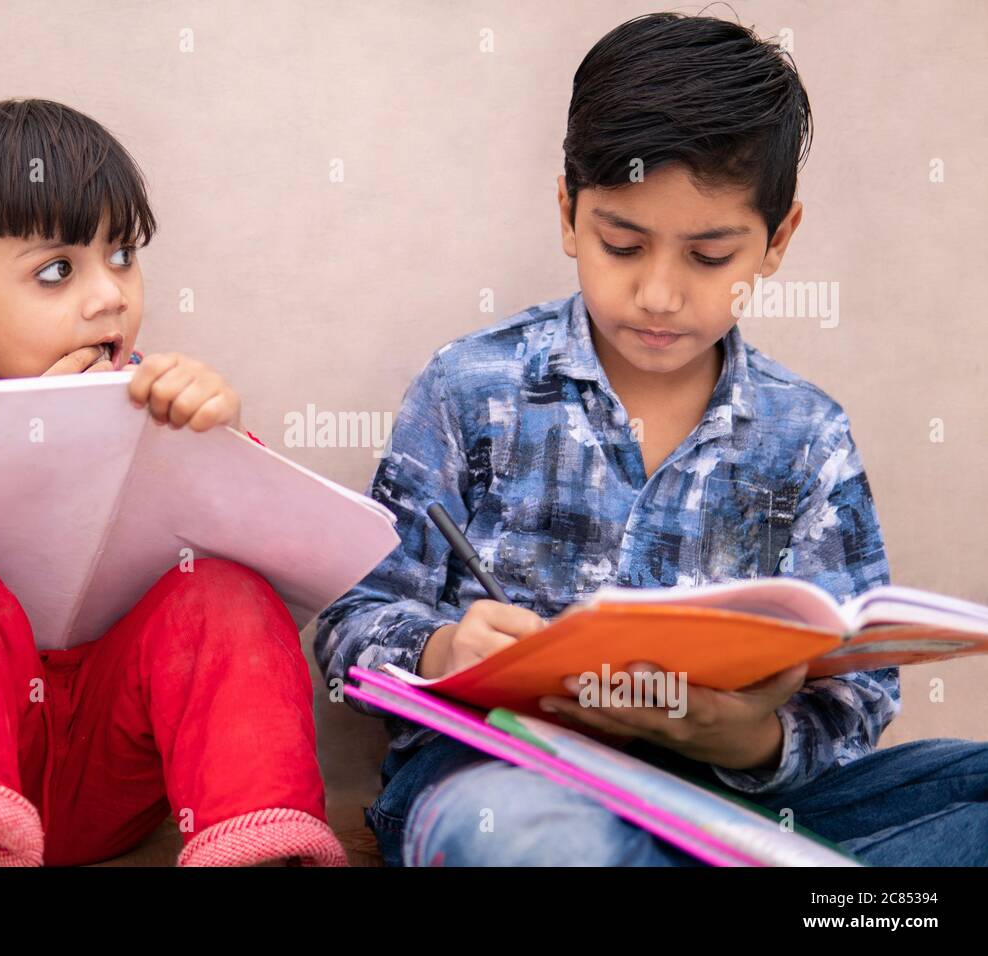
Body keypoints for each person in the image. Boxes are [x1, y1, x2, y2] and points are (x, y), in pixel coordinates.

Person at [316, 13, 988, 866]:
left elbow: (857, 696)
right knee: (531, 839)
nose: (661, 294)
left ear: (777, 242)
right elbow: (352, 621)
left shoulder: (806, 433)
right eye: (622, 245)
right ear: (568, 213)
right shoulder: (471, 388)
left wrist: (745, 738)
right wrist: (445, 648)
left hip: (737, 799)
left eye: (709, 258)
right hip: (510, 777)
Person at [0, 98, 346, 868]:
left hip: (105, 764)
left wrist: (214, 434)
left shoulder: (148, 393)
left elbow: (261, 536)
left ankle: (258, 850)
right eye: (57, 271)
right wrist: (13, 441)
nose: (109, 295)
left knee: (222, 589)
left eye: (122, 255)